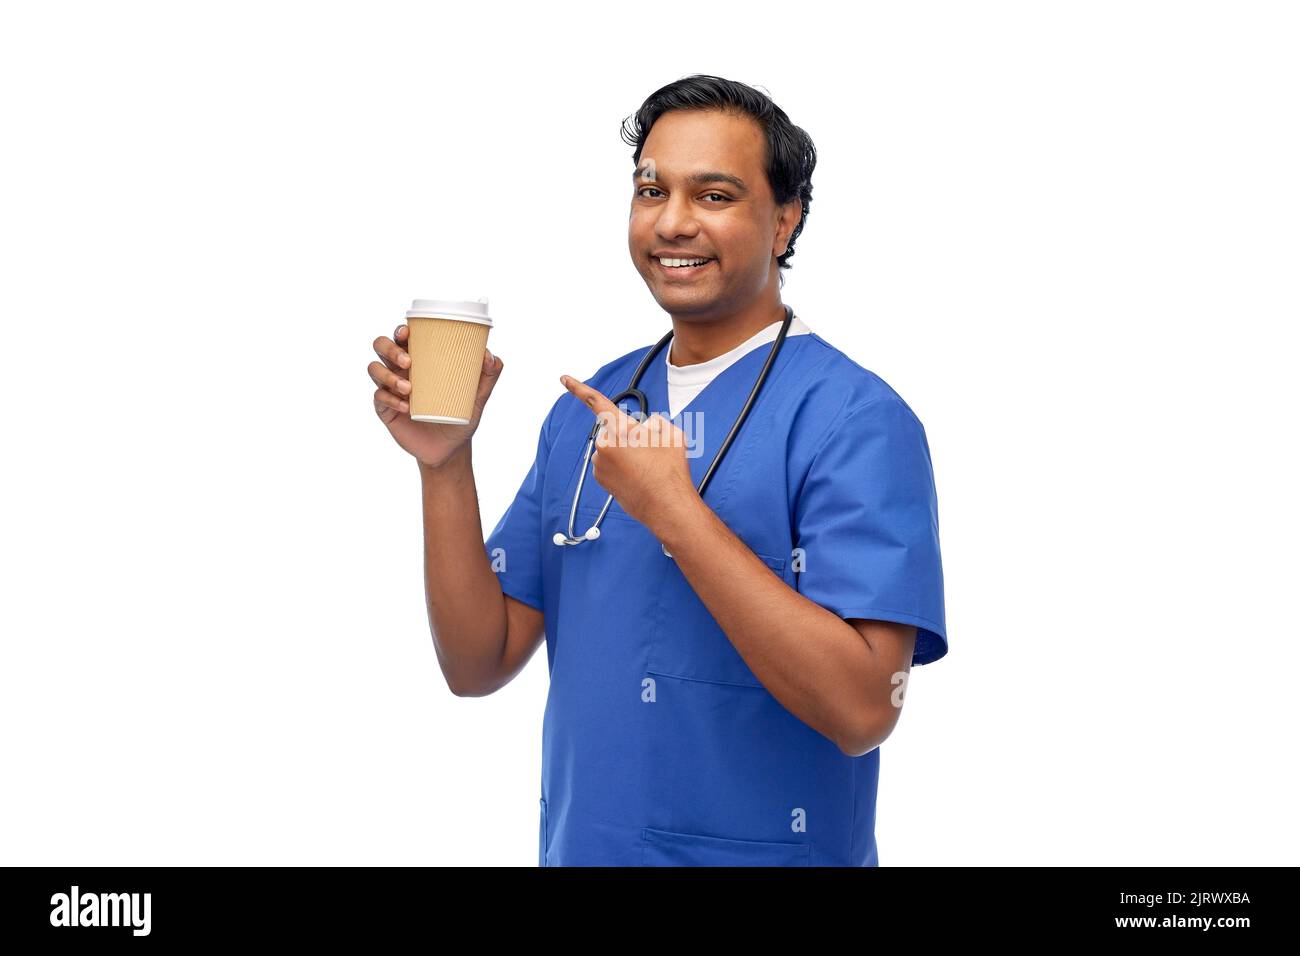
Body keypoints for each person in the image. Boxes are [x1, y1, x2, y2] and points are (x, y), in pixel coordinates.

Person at [368, 75, 947, 866]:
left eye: (713, 195)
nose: (673, 222)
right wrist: (445, 464)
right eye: (651, 190)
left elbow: (861, 710)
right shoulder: (590, 410)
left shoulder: (855, 420)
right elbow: (478, 660)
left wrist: (675, 513)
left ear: (785, 220)